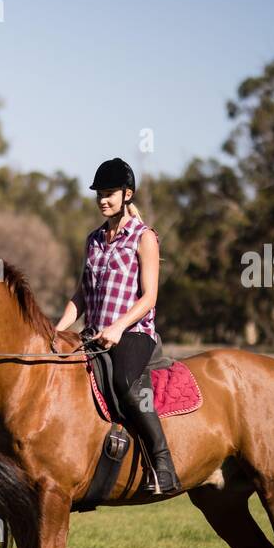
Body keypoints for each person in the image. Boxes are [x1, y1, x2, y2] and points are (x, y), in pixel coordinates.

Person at [55, 157, 180, 494]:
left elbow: (149, 297)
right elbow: (81, 295)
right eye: (98, 194)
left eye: (109, 193)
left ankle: (163, 464)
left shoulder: (144, 238)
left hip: (134, 333)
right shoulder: (93, 240)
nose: (102, 200)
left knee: (125, 381)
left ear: (128, 194)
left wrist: (118, 327)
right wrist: (56, 330)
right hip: (94, 334)